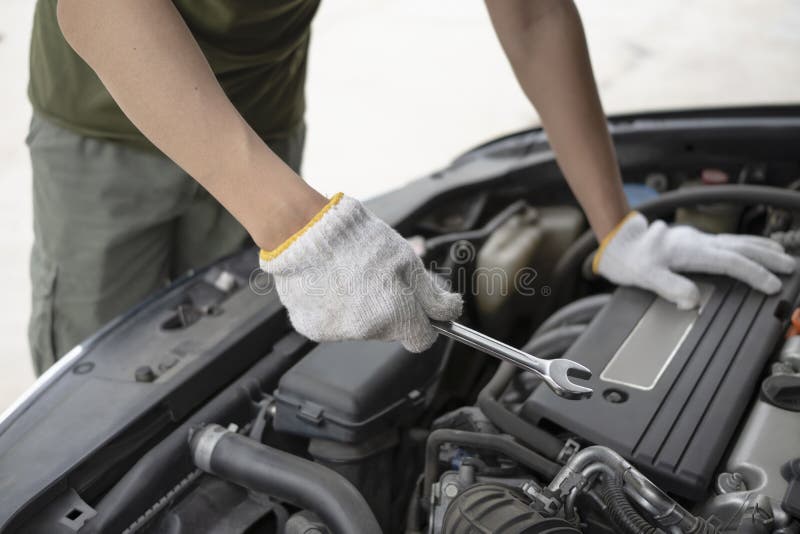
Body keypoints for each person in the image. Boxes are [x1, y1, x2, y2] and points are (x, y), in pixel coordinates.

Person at [28, 0, 794, 374]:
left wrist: (616, 223)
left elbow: (528, 13)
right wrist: (299, 225)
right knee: (100, 370)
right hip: (105, 128)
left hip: (261, 115)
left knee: (221, 351)